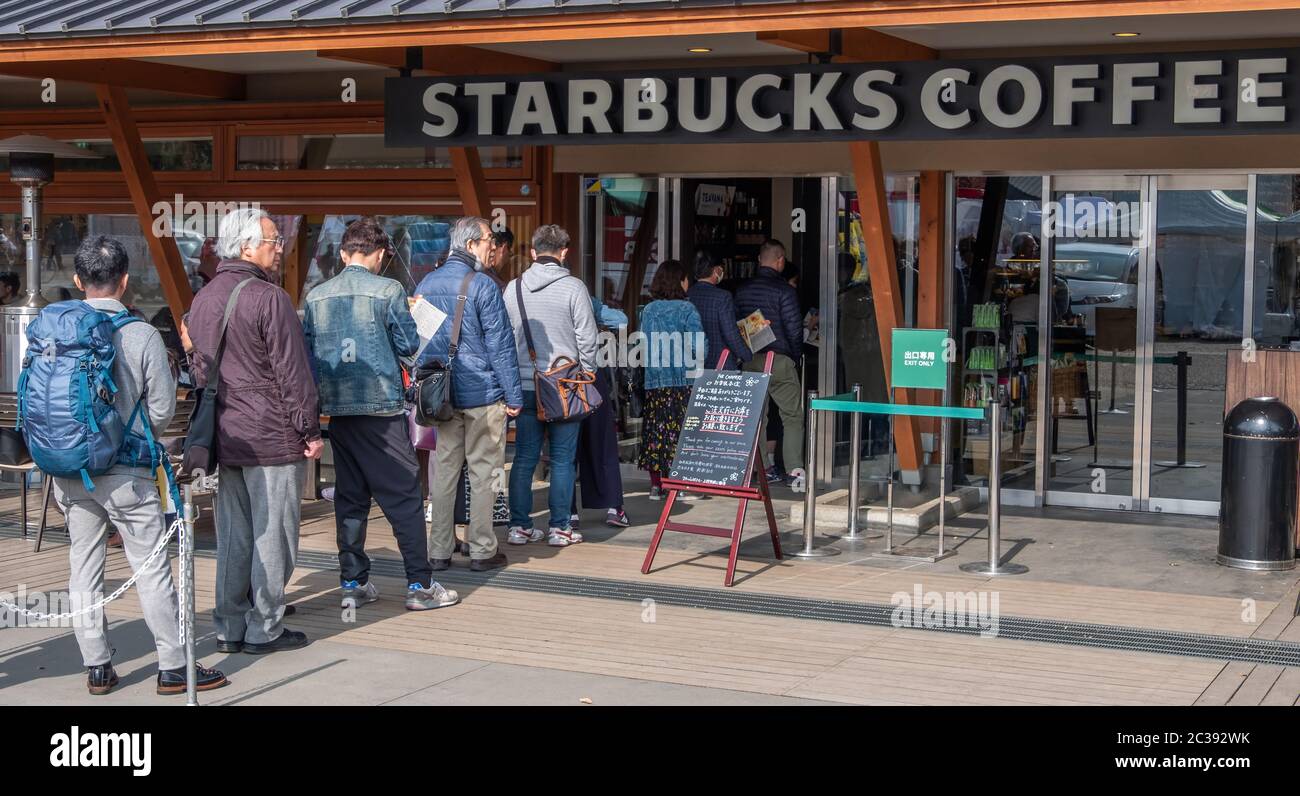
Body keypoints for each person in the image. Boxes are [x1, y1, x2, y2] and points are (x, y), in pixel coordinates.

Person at [54, 236, 227, 696]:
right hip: (127, 472)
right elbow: (162, 413)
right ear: (126, 282)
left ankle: (97, 666)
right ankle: (172, 666)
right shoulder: (142, 335)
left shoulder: (55, 331)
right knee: (150, 565)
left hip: (70, 470)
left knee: (83, 566)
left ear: (77, 281)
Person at [305, 217, 459, 610]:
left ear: (342, 254)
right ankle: (420, 585)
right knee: (404, 497)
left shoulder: (316, 296)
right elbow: (409, 345)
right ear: (379, 255)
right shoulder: (389, 289)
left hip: (337, 412)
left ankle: (353, 582)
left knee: (351, 499)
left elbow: (308, 357)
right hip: (381, 409)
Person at [188, 208, 322, 656]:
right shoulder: (270, 298)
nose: (278, 247)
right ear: (247, 246)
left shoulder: (203, 299)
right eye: (272, 240)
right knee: (274, 535)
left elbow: (199, 370)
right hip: (272, 433)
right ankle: (265, 626)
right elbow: (293, 373)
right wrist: (310, 429)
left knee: (234, 536)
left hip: (228, 434)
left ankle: (229, 625)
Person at [417, 216, 523, 571]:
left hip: (443, 395)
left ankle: (439, 550)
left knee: (445, 472)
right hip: (483, 394)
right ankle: (481, 549)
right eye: (488, 240)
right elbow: (501, 346)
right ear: (469, 244)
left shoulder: (427, 283)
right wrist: (514, 395)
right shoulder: (484, 286)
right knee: (485, 473)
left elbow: (420, 344)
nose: (492, 247)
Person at [502, 224, 597, 547]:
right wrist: (587, 373)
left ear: (532, 252)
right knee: (561, 459)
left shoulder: (513, 288)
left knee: (524, 457)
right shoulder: (574, 288)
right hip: (565, 386)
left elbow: (504, 338)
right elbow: (587, 337)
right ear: (564, 252)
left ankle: (519, 526)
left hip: (524, 385)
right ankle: (559, 528)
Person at [734, 239, 807, 490]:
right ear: (780, 260)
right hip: (780, 359)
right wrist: (794, 356)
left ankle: (763, 469)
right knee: (792, 416)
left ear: (758, 260)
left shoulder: (742, 290)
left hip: (752, 358)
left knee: (757, 417)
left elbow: (739, 328)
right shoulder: (785, 291)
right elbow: (794, 329)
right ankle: (795, 472)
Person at [636, 259, 704, 500]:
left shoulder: (649, 310)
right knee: (683, 433)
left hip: (655, 383)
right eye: (686, 279)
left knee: (656, 433)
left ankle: (658, 485)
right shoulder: (687, 309)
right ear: (680, 281)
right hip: (682, 382)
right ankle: (682, 485)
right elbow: (699, 347)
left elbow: (642, 347)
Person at [570, 295, 631, 530]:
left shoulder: (525, 290)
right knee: (603, 442)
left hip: (555, 378)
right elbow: (620, 319)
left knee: (564, 448)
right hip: (590, 375)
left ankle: (567, 513)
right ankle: (614, 507)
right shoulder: (580, 294)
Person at [687, 250, 750, 370]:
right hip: (721, 363)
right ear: (716, 270)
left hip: (694, 364)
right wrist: (746, 355)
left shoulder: (688, 294)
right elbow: (731, 334)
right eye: (721, 268)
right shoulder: (723, 297)